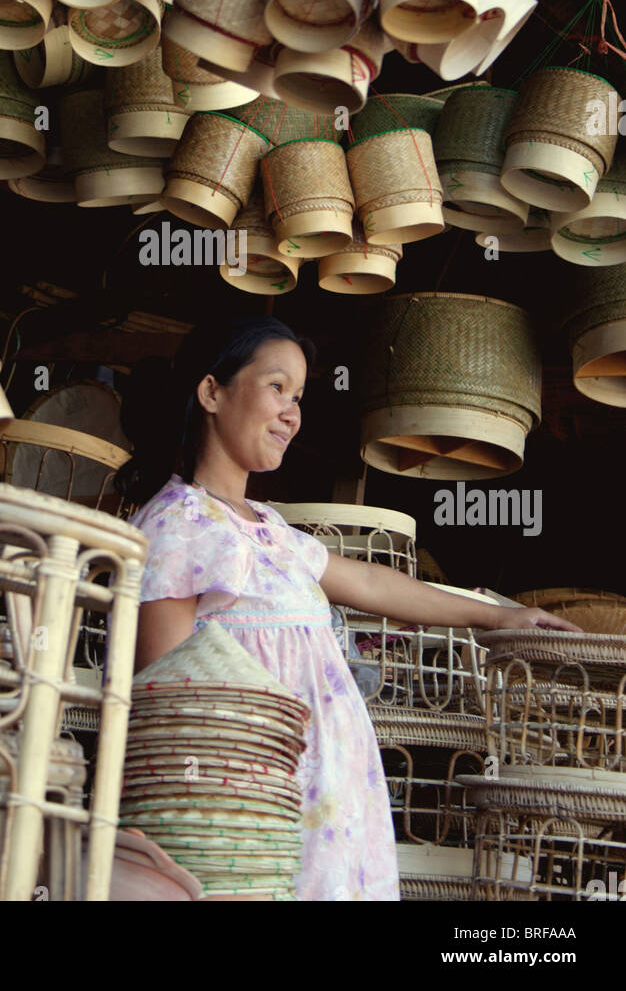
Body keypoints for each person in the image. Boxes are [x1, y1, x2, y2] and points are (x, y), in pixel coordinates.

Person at [117, 315, 581, 903]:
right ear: (212, 392)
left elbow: (371, 582)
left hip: (329, 807)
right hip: (254, 821)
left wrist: (496, 615)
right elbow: (169, 704)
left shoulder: (270, 530)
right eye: (276, 387)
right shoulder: (177, 524)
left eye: (300, 396)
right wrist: (213, 836)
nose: (292, 412)